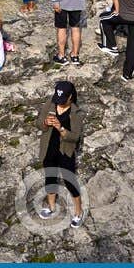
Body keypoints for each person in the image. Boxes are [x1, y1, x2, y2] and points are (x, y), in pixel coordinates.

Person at [37, 80, 84, 228]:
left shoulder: (76, 113)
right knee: (50, 178)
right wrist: (45, 123)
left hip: (65, 150)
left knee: (70, 181)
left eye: (63, 100)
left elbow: (75, 137)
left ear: (71, 97)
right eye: (58, 99)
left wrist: (61, 128)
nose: (60, 103)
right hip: (49, 147)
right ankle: (51, 207)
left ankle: (78, 211)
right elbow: (38, 124)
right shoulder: (50, 104)